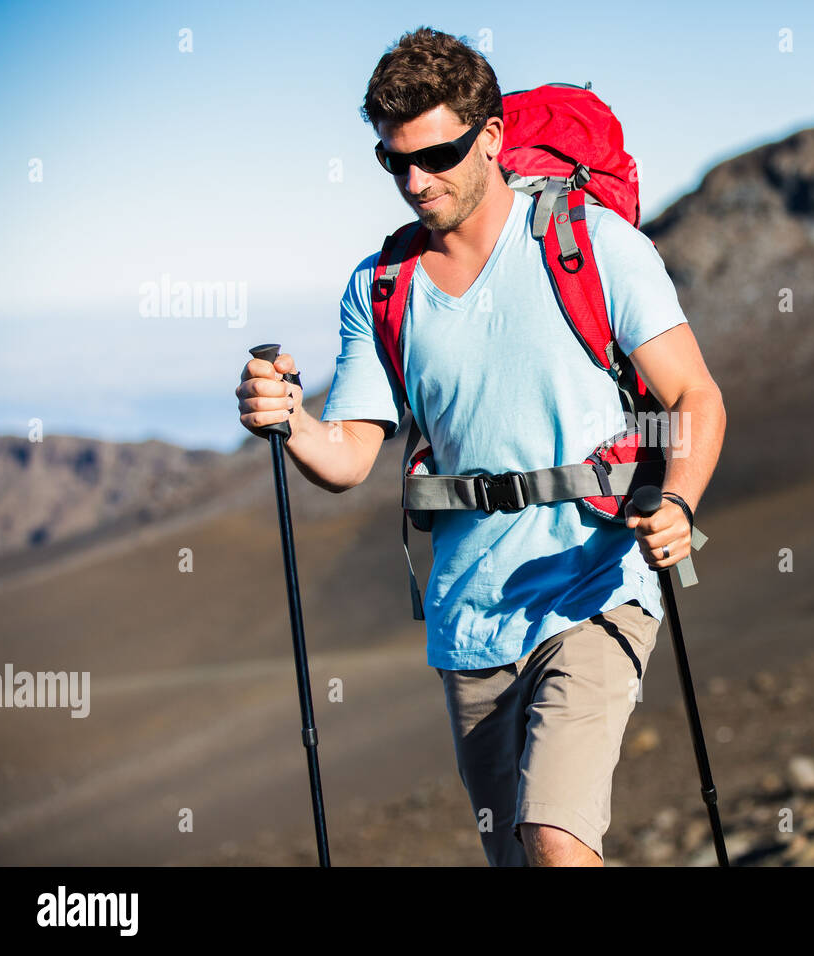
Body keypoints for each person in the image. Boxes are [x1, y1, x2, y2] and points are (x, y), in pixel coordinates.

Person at [236, 26, 726, 866]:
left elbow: (693, 396)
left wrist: (677, 501)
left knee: (556, 838)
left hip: (597, 585)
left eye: (438, 155)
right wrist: (290, 421)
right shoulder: (381, 287)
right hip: (471, 623)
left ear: (491, 136)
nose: (416, 182)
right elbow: (351, 456)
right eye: (395, 163)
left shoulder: (593, 246)